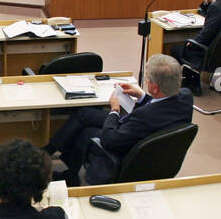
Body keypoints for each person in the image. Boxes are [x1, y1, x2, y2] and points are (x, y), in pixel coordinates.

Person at [46, 55, 192, 185]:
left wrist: (114, 110)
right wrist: (142, 96)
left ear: (154, 88)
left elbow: (109, 140)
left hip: (129, 145)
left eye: (147, 79)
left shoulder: (144, 116)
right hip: (143, 132)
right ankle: (49, 150)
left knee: (86, 133)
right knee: (84, 114)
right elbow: (161, 106)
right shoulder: (186, 96)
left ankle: (70, 175)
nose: (146, 81)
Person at [172, 0, 221, 94]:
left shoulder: (216, 7)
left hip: (211, 55)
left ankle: (192, 85)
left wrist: (190, 44)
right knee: (191, 44)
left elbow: (206, 35)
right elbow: (206, 13)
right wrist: (206, 2)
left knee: (177, 49)